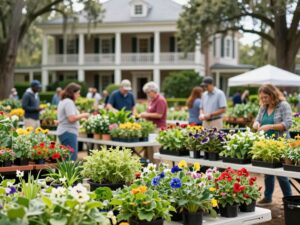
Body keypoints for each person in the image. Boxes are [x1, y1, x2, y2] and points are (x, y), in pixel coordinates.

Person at [253, 84, 292, 205]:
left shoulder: (283, 105)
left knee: (281, 175)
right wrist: (256, 124)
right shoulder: (263, 107)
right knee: (267, 172)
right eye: (262, 98)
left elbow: (288, 124)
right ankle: (268, 197)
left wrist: (270, 126)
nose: (263, 100)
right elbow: (258, 120)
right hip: (266, 145)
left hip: (280, 144)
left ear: (272, 94)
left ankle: (288, 199)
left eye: (266, 97)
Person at [57, 83, 89, 161]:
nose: (79, 95)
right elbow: (71, 119)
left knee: (67, 158)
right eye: (78, 93)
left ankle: (65, 173)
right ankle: (69, 173)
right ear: (72, 93)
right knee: (71, 158)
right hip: (68, 133)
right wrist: (84, 115)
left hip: (65, 132)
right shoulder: (68, 102)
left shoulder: (63, 101)